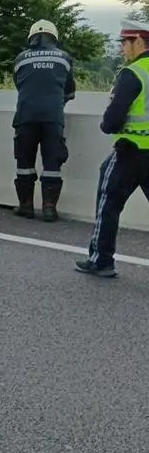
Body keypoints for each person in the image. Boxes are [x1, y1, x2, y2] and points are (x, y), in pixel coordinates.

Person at [75, 19, 149, 277]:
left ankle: (101, 260)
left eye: (125, 43)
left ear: (138, 41)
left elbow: (114, 117)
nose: (122, 49)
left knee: (108, 204)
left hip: (130, 152)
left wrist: (108, 126)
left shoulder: (133, 73)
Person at [12, 19, 76, 221]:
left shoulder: (20, 58)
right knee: (52, 164)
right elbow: (70, 90)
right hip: (53, 118)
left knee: (24, 162)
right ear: (54, 37)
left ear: (31, 37)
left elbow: (20, 85)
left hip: (25, 116)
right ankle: (49, 208)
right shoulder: (64, 58)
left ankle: (26, 206)